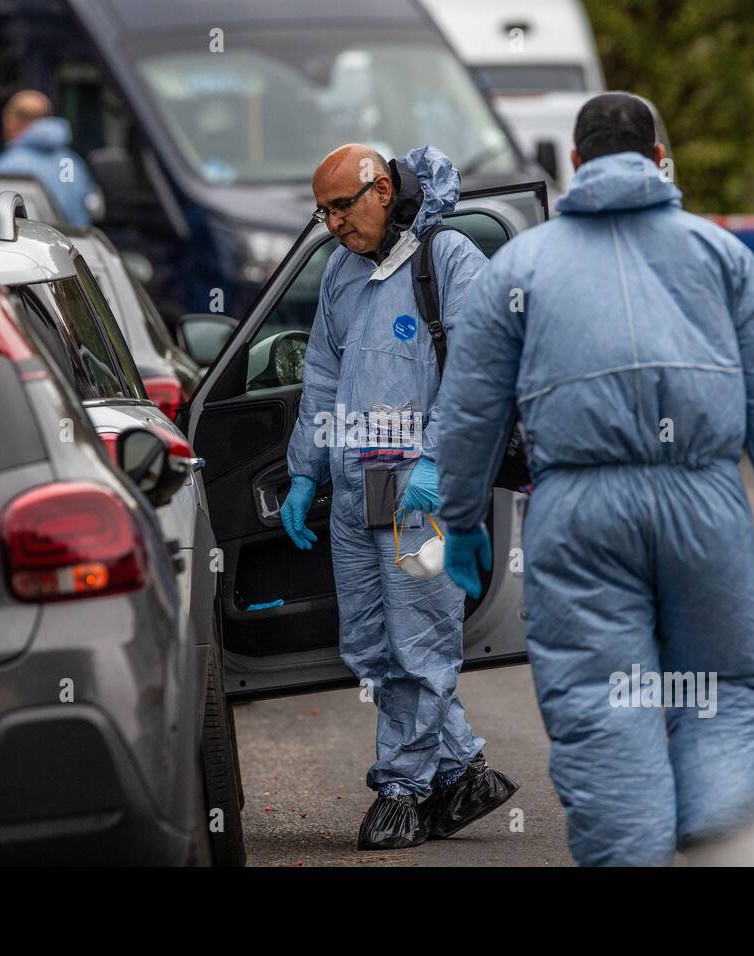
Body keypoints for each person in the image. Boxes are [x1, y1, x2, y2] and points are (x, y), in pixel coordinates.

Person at [434, 93, 754, 866]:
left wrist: (463, 517)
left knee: (605, 698)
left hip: (579, 507)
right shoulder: (720, 254)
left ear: (575, 163)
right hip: (703, 498)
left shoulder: (523, 265)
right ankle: (715, 838)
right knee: (720, 686)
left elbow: (470, 410)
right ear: (659, 158)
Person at [279, 143, 517, 851]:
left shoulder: (448, 262)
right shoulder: (342, 273)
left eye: (341, 207)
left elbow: (480, 378)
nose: (331, 225)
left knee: (420, 639)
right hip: (358, 489)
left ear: (382, 188)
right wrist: (304, 470)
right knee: (373, 644)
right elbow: (322, 373)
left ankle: (403, 788)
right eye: (321, 211)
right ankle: (463, 769)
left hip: (416, 493)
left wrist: (438, 464)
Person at [0, 90, 102, 227]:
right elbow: (92, 209)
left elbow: (1, 221)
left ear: (13, 122)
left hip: (32, 246)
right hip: (74, 246)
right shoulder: (73, 162)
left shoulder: (7, 165)